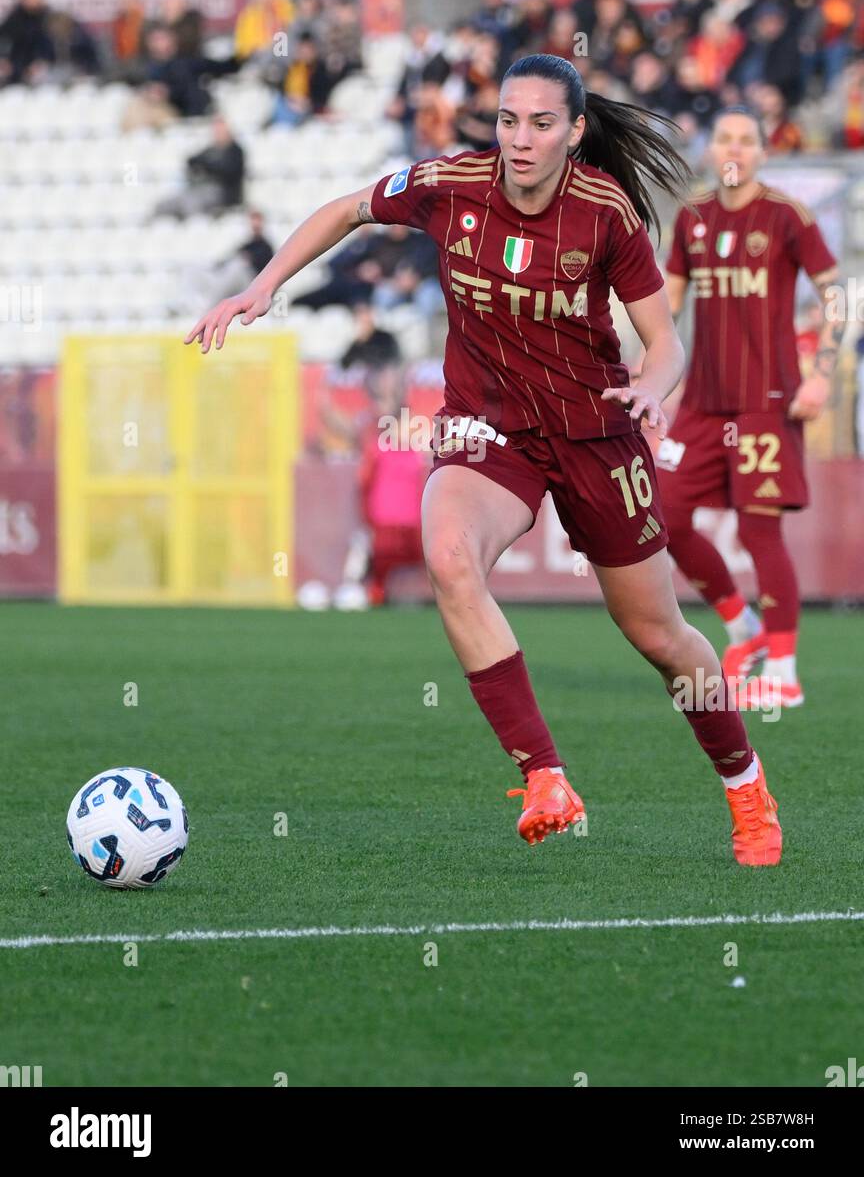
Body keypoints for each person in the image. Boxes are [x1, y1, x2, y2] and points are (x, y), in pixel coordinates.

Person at [186, 54, 785, 868]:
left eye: (542, 123)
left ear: (575, 133)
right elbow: (348, 209)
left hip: (595, 432)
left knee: (660, 636)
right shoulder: (452, 186)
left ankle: (746, 786)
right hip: (487, 428)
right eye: (509, 120)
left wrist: (652, 389)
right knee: (448, 555)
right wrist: (264, 286)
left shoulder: (606, 213)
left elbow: (666, 341)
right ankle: (544, 777)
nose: (520, 139)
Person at [659, 106, 839, 711]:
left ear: (763, 152)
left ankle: (783, 672)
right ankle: (741, 627)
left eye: (746, 139)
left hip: (767, 403)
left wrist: (824, 374)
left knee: (758, 528)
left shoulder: (788, 217)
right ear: (711, 151)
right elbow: (667, 307)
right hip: (702, 407)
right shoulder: (691, 218)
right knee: (664, 517)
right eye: (724, 138)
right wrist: (645, 374)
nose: (734, 148)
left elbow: (837, 293)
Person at [154, 116, 244, 219]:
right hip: (200, 190)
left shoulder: (235, 151)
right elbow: (192, 160)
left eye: (221, 130)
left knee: (191, 203)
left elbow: (229, 172)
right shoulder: (210, 150)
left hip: (223, 194)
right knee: (164, 205)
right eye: (216, 130)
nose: (218, 133)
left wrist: (208, 166)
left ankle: (194, 230)